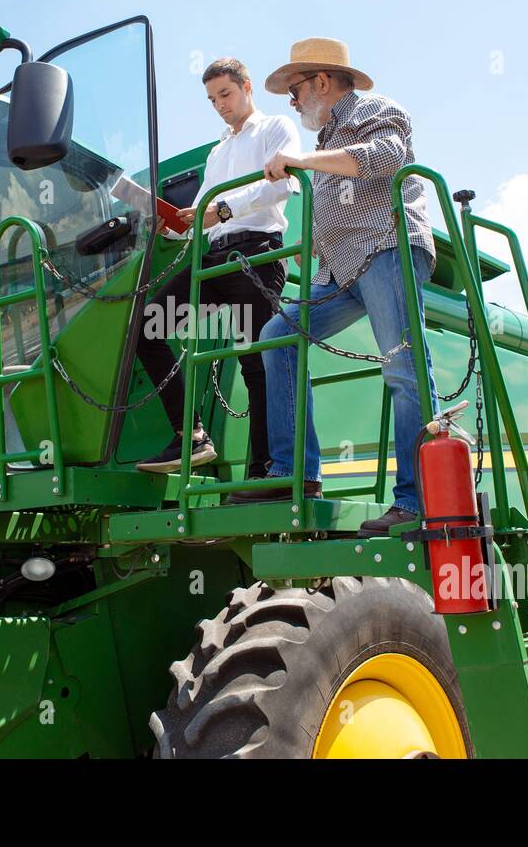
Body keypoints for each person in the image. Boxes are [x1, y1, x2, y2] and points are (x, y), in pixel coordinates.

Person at [226, 38, 439, 537]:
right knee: (278, 335)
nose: (293, 103)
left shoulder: (376, 110)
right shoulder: (324, 145)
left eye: (295, 91)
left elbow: (382, 159)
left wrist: (299, 162)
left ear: (322, 81)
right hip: (342, 269)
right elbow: (343, 196)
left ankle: (416, 503)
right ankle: (294, 472)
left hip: (387, 248)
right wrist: (314, 240)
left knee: (403, 368)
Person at [135, 58, 301, 476]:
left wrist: (222, 209)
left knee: (255, 363)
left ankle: (263, 473)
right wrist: (169, 229)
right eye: (212, 99)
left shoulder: (276, 128)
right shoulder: (218, 151)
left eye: (225, 94)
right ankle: (190, 437)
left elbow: (281, 184)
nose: (220, 105)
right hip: (213, 259)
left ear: (247, 87)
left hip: (256, 257)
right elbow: (202, 218)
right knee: (147, 329)